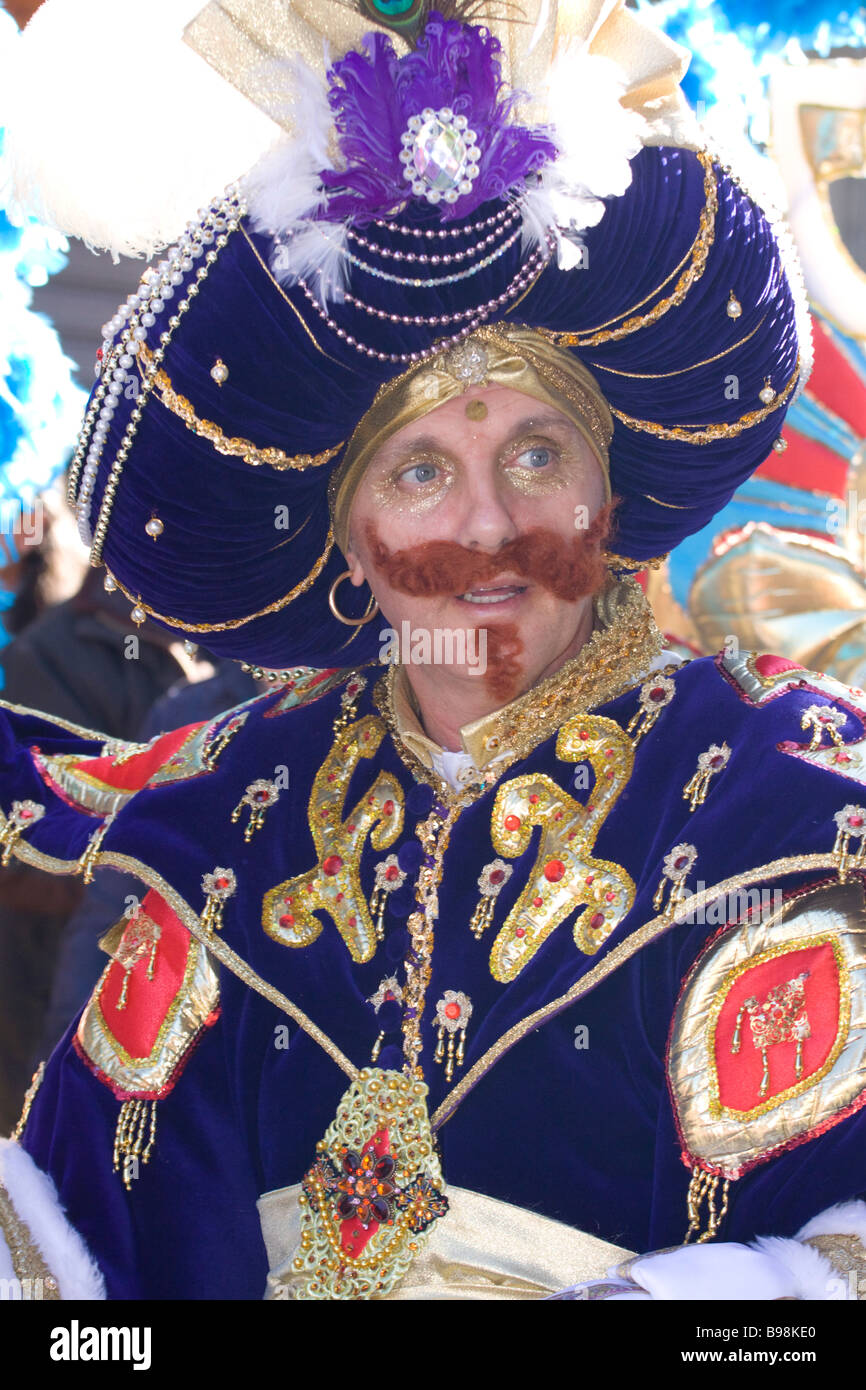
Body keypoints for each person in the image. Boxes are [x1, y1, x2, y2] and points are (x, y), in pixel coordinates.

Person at [0, 0, 864, 1302]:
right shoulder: (220, 828)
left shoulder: (788, 804)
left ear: (603, 500)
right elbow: (78, 1276)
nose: (485, 528)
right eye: (419, 470)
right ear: (345, 541)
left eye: (534, 454)